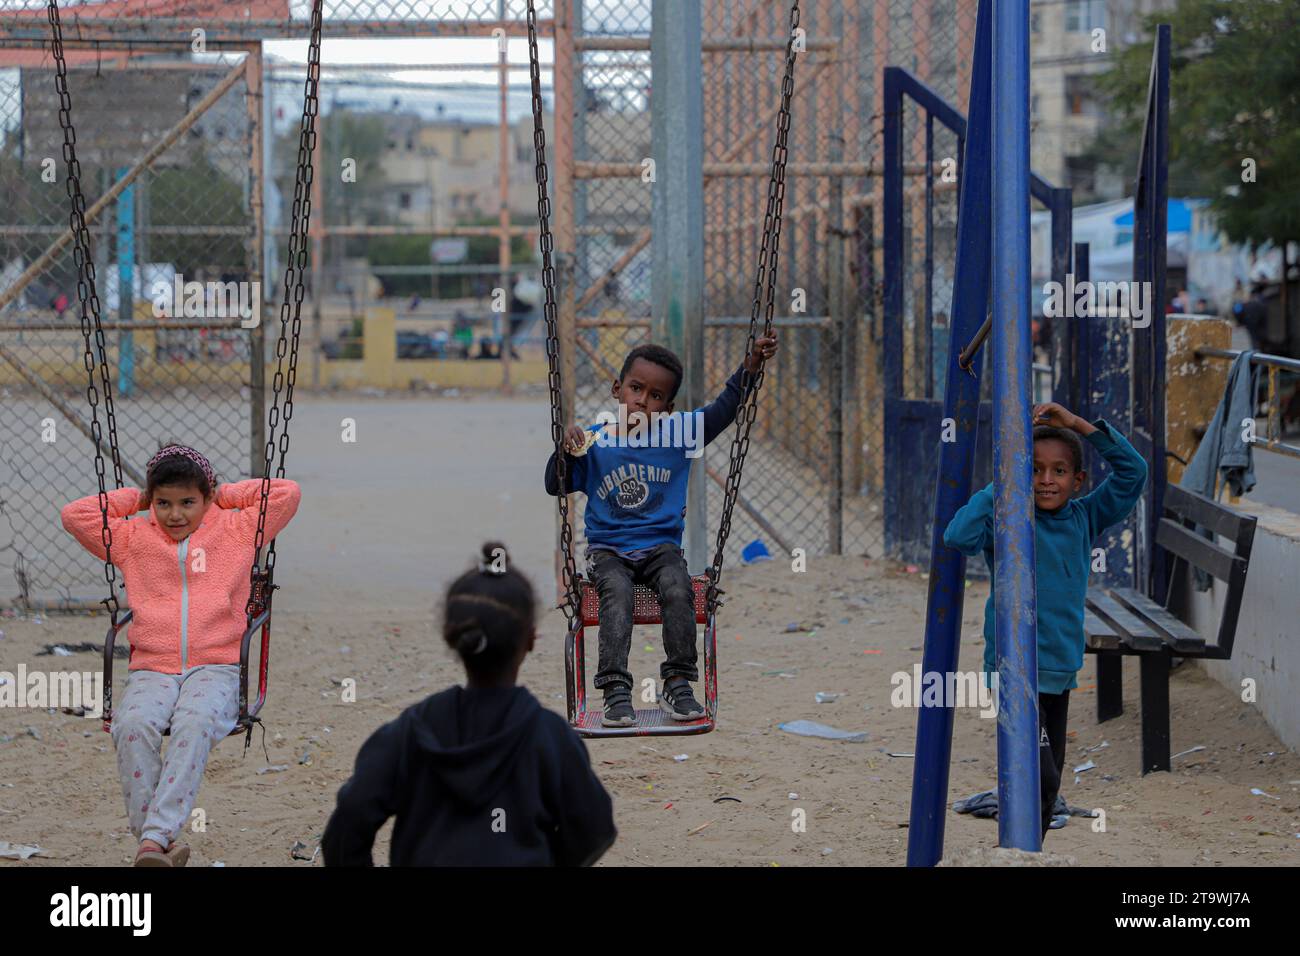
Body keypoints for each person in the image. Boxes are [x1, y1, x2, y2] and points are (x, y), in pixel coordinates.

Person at [61, 443, 301, 867]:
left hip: (217, 666)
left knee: (194, 722)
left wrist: (222, 493)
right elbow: (74, 515)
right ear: (151, 502)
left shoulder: (237, 529)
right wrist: (136, 496)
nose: (175, 514)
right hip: (153, 667)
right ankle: (157, 844)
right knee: (131, 725)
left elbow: (286, 493)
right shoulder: (132, 538)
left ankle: (153, 840)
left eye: (188, 502)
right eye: (164, 503)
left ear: (206, 498)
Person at [321, 543, 616, 866]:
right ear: (530, 640)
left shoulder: (410, 731)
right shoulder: (550, 736)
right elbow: (595, 828)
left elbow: (347, 826)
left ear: (452, 637)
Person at [544, 335, 779, 727]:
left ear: (667, 408)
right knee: (616, 591)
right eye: (635, 388)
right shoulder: (594, 441)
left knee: (677, 584)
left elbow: (725, 409)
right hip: (609, 551)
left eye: (655, 396)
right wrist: (563, 449)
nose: (642, 401)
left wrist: (751, 364)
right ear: (617, 389)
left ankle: (677, 681)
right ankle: (616, 690)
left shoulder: (679, 434)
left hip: (660, 548)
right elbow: (556, 484)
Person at [942, 402, 1147, 840]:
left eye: (1058, 471)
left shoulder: (1085, 517)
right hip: (1013, 669)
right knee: (1042, 777)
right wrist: (1003, 484)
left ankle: (1025, 842)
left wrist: (1077, 425)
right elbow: (957, 536)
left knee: (1046, 781)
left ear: (1078, 480)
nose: (1046, 480)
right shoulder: (1009, 518)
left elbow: (1134, 472)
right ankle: (1020, 843)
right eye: (1034, 470)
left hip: (1059, 668)